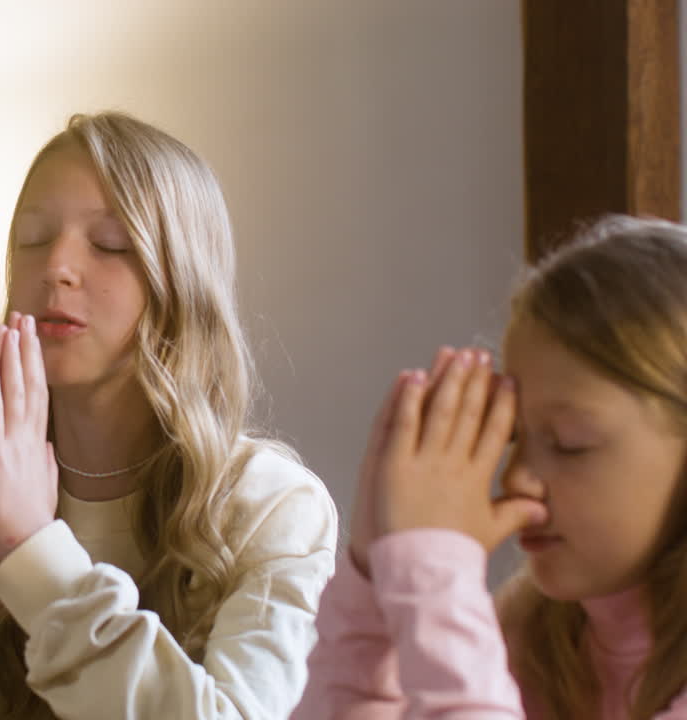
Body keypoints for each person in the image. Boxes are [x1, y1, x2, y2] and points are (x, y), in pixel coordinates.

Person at [0, 111, 338, 720]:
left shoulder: (271, 507)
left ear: (179, 282)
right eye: (32, 238)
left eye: (110, 244)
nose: (56, 267)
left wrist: (32, 551)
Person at [293, 214, 687, 719]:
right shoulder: (532, 644)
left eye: (569, 444)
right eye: (515, 438)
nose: (517, 479)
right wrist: (373, 580)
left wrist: (433, 570)